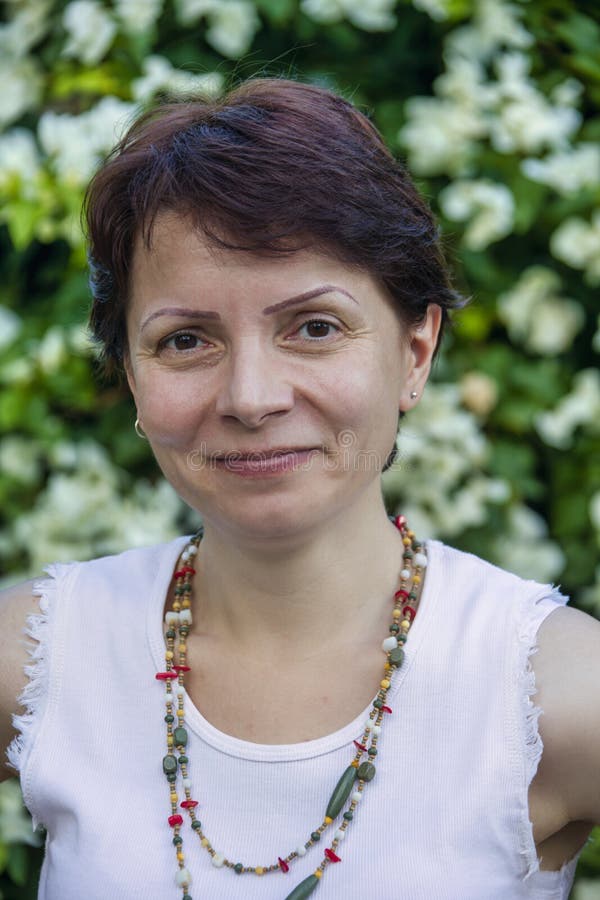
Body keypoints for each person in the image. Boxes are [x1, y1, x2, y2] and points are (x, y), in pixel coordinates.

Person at [0, 77, 598, 900]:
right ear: (132, 377)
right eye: (185, 341)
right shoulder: (41, 658)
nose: (251, 398)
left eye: (314, 327)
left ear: (415, 352)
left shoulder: (551, 692)